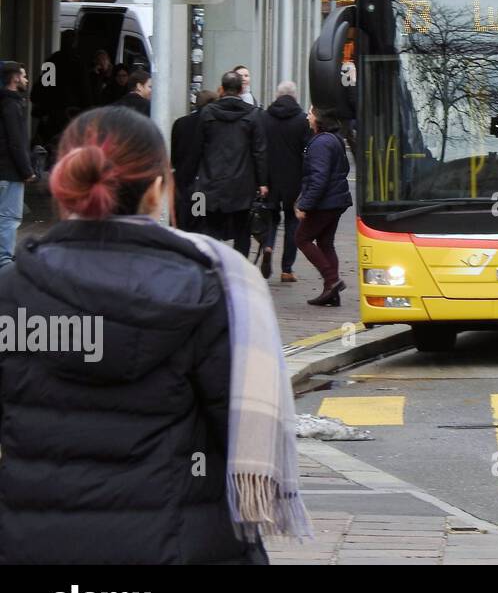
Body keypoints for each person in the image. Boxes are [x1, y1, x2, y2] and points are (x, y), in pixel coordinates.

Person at [0, 105, 312, 564]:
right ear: (158, 188)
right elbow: (231, 429)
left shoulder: (12, 290)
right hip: (182, 542)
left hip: (33, 545)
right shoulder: (213, 287)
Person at [195, 71, 268, 257]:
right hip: (242, 184)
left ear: (222, 88)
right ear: (241, 88)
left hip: (211, 183)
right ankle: (239, 271)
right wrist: (263, 183)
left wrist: (195, 177)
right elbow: (259, 151)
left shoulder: (207, 114)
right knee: (242, 232)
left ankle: (213, 268)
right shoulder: (253, 115)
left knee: (210, 229)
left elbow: (198, 147)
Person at [295, 106, 353, 307]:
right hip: (337, 200)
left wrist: (304, 205)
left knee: (301, 238)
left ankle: (332, 280)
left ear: (319, 119)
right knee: (326, 243)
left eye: (311, 113)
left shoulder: (320, 143)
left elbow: (319, 178)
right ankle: (331, 293)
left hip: (325, 202)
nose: (308, 116)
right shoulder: (334, 139)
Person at [259, 80, 311, 283]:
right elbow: (307, 153)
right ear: (295, 96)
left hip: (270, 178)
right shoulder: (302, 120)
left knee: (271, 217)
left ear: (277, 95)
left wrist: (261, 180)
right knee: (292, 222)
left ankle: (268, 246)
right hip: (294, 180)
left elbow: (260, 150)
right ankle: (287, 269)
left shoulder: (264, 118)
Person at [0, 61, 35, 269]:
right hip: (10, 172)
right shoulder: (12, 104)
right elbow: (16, 141)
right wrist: (27, 170)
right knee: (9, 217)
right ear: (14, 78)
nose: (26, 80)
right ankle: (4, 261)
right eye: (23, 76)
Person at [171, 90, 219, 232]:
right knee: (198, 222)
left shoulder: (180, 123)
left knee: (183, 223)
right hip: (201, 184)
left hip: (182, 181)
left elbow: (174, 154)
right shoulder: (211, 124)